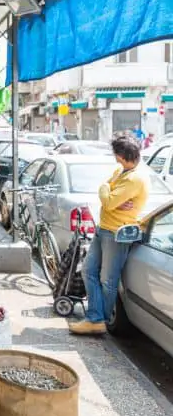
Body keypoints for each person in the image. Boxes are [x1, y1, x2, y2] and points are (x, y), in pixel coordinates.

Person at [69, 134, 149, 335]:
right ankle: (95, 317)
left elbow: (109, 200)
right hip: (104, 228)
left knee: (108, 279)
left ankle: (97, 320)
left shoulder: (134, 178)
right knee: (88, 270)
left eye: (115, 153)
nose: (114, 157)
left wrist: (107, 191)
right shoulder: (121, 171)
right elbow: (110, 198)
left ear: (121, 155)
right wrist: (110, 194)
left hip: (117, 233)